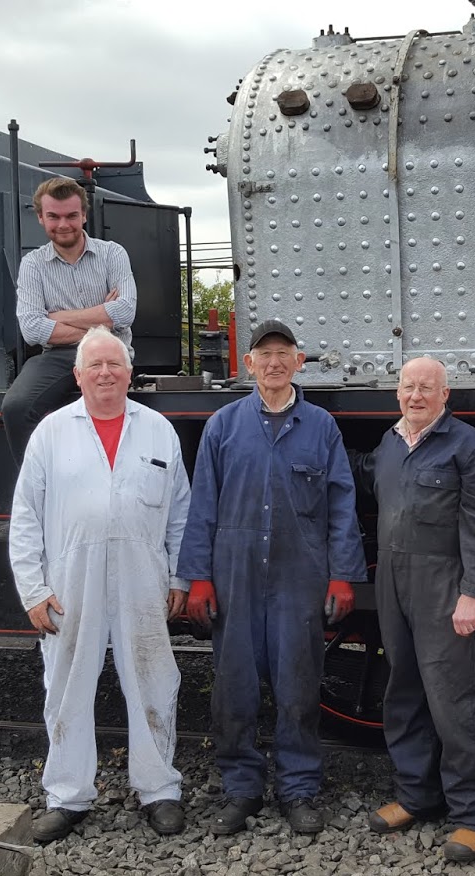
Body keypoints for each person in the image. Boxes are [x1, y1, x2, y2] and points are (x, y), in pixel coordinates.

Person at [177, 319, 367, 836]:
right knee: (233, 689)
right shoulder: (223, 426)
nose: (275, 363)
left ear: (298, 362)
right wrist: (198, 577)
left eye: (284, 354)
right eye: (266, 355)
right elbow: (203, 508)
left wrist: (343, 575)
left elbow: (341, 506)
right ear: (250, 365)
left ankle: (299, 788)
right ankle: (241, 788)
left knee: (299, 687)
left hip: (298, 576)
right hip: (234, 575)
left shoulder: (322, 427)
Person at [9, 326, 190, 843]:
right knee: (66, 688)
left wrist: (179, 574)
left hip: (142, 580)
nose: (106, 373)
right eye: (96, 366)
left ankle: (160, 791)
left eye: (115, 364)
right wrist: (33, 589)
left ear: (130, 373)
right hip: (70, 583)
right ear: (78, 375)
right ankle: (68, 796)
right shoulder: (51, 432)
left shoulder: (158, 430)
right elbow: (25, 517)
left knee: (154, 682)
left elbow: (181, 513)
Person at [350, 357, 475, 864]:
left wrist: (471, 593)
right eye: (408, 387)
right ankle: (418, 795)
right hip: (393, 579)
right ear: (397, 393)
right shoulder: (391, 445)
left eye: (427, 388)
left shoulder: (469, 448)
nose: (416, 396)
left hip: (444, 584)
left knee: (454, 700)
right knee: (404, 690)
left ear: (446, 395)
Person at [2, 177, 138, 466]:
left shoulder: (113, 253)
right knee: (16, 407)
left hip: (111, 350)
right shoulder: (33, 265)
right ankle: (40, 487)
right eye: (53, 216)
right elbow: (31, 329)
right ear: (40, 217)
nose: (63, 224)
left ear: (84, 215)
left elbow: (125, 312)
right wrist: (102, 317)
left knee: (109, 407)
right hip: (59, 355)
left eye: (71, 216)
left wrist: (58, 317)